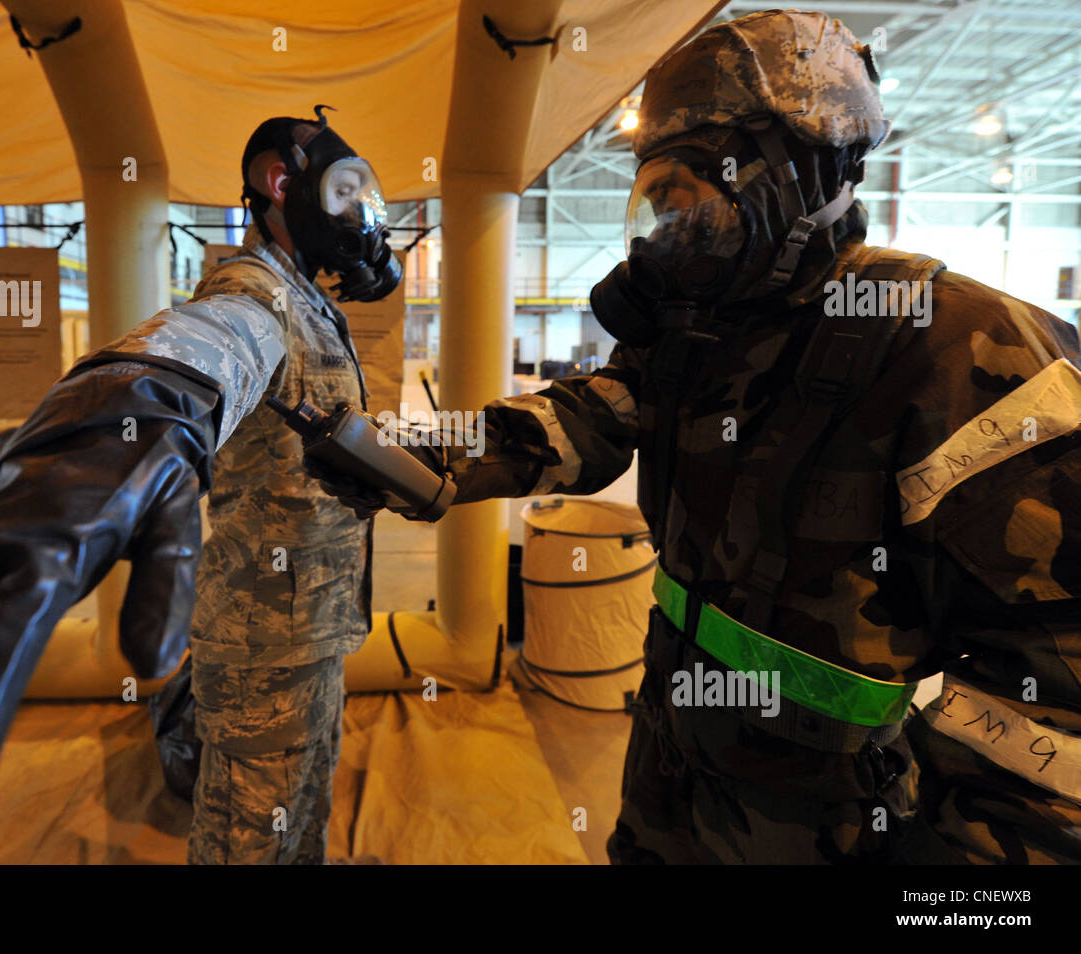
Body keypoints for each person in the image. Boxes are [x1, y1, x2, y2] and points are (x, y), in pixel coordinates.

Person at [319, 10, 1081, 864]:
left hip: (831, 820)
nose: (670, 224)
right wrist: (422, 453)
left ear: (802, 171)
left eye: (694, 188)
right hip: (671, 767)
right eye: (659, 193)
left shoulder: (959, 351)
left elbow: (1056, 687)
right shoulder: (697, 326)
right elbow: (594, 413)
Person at [0, 106, 403, 865]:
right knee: (253, 839)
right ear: (281, 182)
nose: (361, 215)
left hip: (311, 625)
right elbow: (212, 339)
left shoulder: (313, 304)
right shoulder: (257, 292)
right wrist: (132, 408)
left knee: (301, 815)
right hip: (265, 644)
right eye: (347, 191)